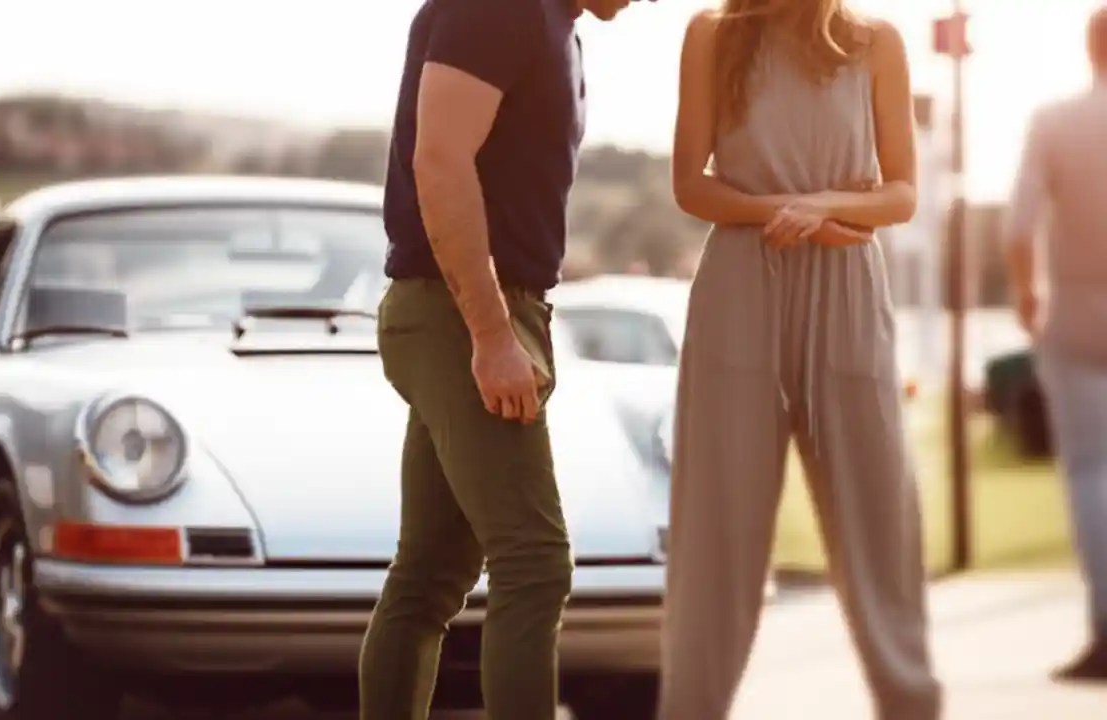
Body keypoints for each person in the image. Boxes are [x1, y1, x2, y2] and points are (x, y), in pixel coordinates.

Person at [358, 1, 647, 718]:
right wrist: (490, 334)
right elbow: (441, 157)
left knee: (428, 575)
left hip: (482, 310)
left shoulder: (555, 24)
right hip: (459, 311)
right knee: (535, 564)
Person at [661, 1, 941, 717]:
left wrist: (822, 207)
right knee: (718, 525)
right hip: (740, 288)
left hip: (847, 280)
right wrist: (787, 210)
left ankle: (910, 703)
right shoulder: (711, 36)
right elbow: (691, 184)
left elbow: (903, 192)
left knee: (879, 518)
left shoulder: (875, 43)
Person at [1005, 6, 1107, 683]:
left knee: (1091, 474)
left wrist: (1027, 297)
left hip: (1076, 307)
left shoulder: (1056, 121)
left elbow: (1018, 226)